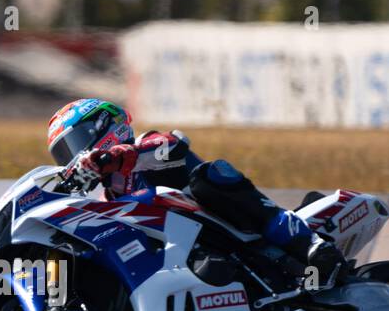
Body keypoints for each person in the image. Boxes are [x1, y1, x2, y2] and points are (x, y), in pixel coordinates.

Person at [46, 98, 343, 284]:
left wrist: (117, 156)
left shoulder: (146, 145)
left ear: (105, 126)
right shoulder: (108, 201)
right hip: (186, 262)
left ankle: (311, 244)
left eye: (77, 144)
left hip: (227, 227)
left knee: (209, 175)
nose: (75, 157)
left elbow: (175, 144)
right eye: (64, 153)